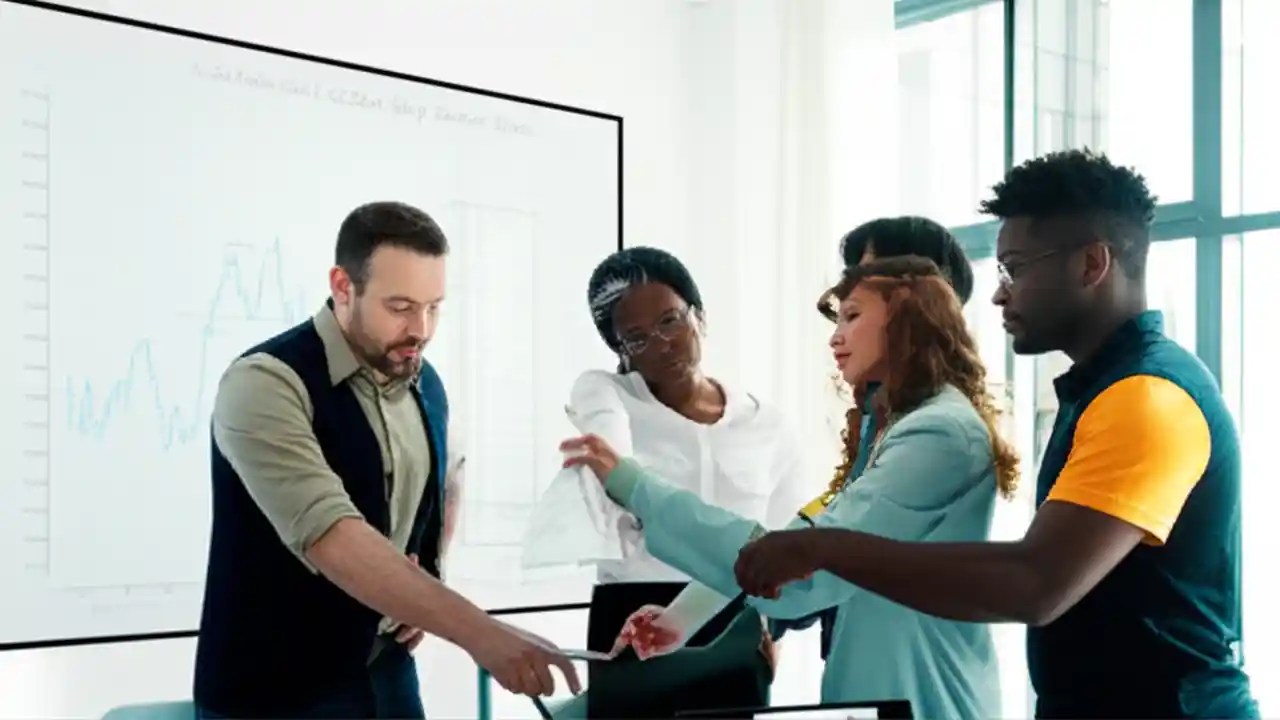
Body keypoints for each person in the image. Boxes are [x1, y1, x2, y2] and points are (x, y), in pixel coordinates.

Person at [733, 150, 1258, 718]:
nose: (1000, 293)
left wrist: (822, 547)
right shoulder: (1105, 389)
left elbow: (1035, 584)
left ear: (1091, 264)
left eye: (1015, 268)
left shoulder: (1146, 397)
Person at [562, 255, 1019, 719]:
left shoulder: (937, 435)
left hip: (923, 690)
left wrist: (635, 486)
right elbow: (808, 531)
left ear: (908, 316)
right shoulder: (891, 428)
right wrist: (679, 620)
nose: (835, 336)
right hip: (875, 681)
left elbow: (809, 566)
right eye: (637, 337)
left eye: (852, 316)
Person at [194, 201, 579, 719]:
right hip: (277, 690)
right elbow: (331, 534)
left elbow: (448, 479)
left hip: (384, 673)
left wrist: (424, 576)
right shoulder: (266, 383)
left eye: (434, 306)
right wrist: (480, 634)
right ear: (342, 286)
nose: (420, 328)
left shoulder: (424, 380)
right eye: (399, 307)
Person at [782, 216, 978, 658]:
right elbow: (839, 516)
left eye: (868, 281)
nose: (852, 292)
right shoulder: (880, 411)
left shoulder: (937, 427)